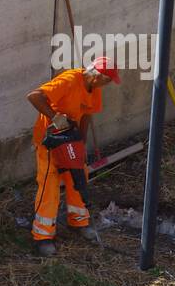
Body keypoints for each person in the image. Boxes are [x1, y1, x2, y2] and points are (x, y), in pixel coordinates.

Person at [26, 56, 120, 256]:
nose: (108, 84)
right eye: (108, 80)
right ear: (97, 76)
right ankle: (43, 237)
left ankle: (79, 222)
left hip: (70, 141)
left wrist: (81, 144)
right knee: (49, 186)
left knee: (78, 178)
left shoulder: (94, 89)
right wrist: (55, 117)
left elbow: (86, 114)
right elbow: (34, 96)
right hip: (51, 141)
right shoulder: (69, 81)